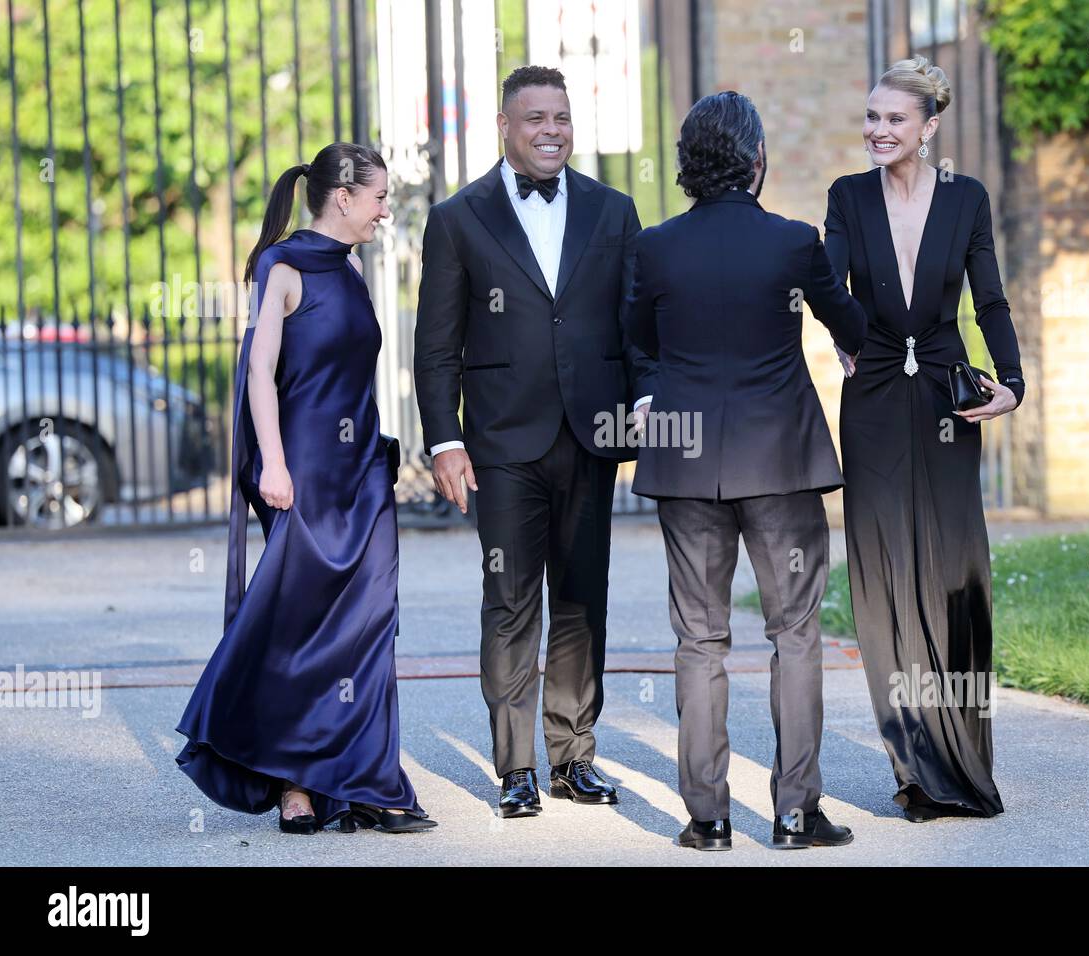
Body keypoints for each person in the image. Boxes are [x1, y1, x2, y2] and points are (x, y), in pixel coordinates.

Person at [624, 92, 868, 851]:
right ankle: (796, 814)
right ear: (757, 160)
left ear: (688, 165)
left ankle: (708, 819)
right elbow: (851, 324)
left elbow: (637, 343)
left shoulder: (655, 247)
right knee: (794, 634)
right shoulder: (795, 242)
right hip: (781, 462)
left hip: (686, 462)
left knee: (699, 639)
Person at [413, 66, 656, 819]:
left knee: (583, 601)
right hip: (501, 444)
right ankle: (516, 767)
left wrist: (644, 397)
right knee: (510, 602)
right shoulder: (458, 218)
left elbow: (637, 321)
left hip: (591, 435)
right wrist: (444, 442)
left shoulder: (614, 212)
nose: (551, 130)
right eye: (535, 119)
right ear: (505, 126)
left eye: (561, 117)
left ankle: (574, 755)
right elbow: (435, 346)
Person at [175, 143, 436, 835]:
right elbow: (260, 371)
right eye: (379, 197)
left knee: (368, 626)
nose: (386, 210)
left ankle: (366, 781)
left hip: (361, 474)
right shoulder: (281, 265)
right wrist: (275, 465)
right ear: (344, 196)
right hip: (305, 472)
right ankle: (294, 783)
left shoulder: (353, 269)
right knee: (299, 627)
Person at [825, 56, 1024, 822]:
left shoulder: (965, 199)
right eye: (872, 117)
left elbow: (991, 297)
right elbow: (829, 283)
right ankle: (913, 766)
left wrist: (1012, 383)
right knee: (882, 576)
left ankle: (963, 759)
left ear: (929, 126)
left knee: (951, 568)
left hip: (947, 395)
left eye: (894, 119)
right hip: (872, 394)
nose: (878, 130)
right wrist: (845, 336)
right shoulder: (847, 197)